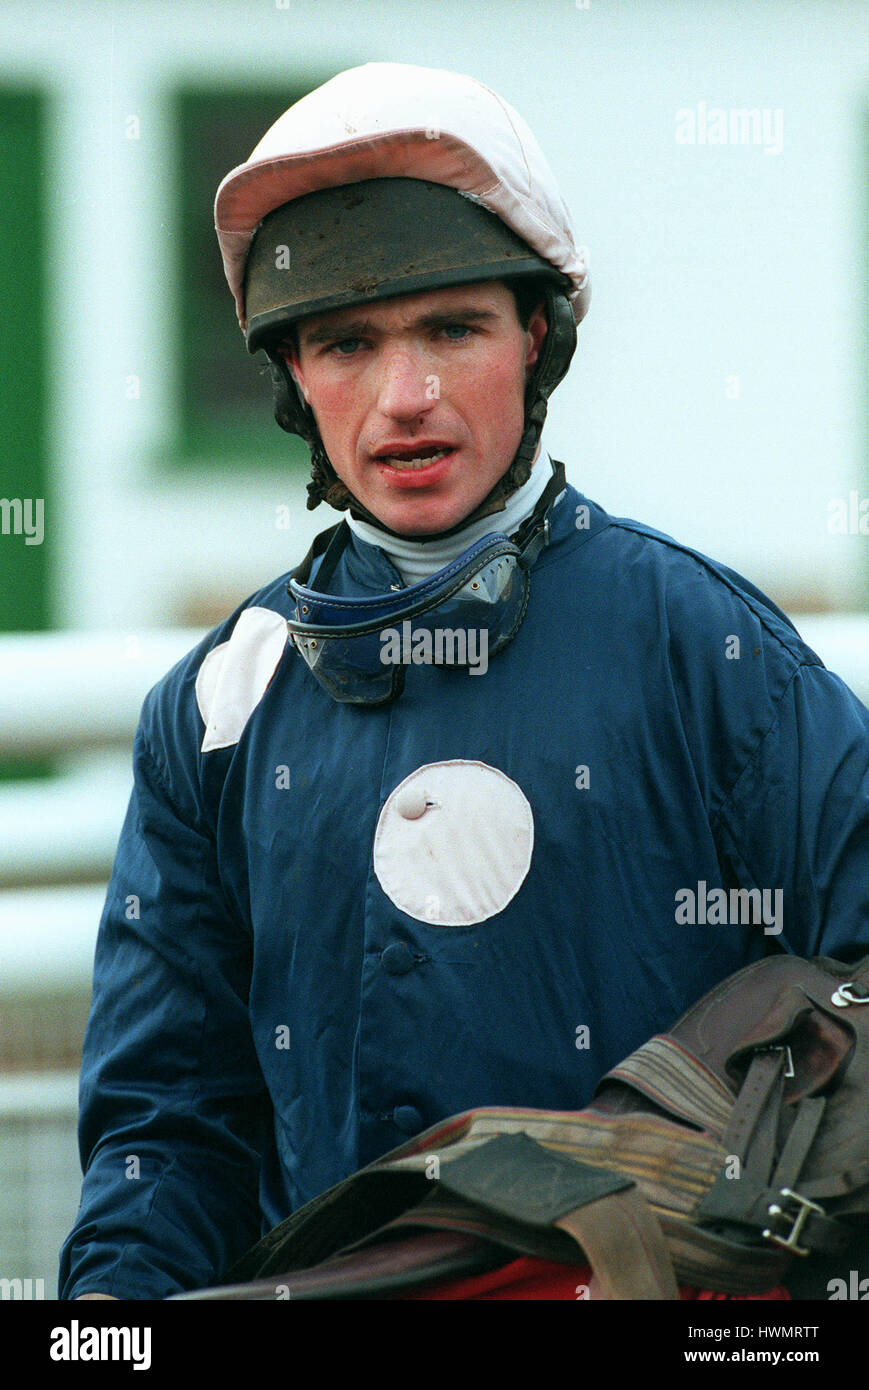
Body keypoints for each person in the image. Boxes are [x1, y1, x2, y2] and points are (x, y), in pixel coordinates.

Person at [59, 62, 869, 1301]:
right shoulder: (216, 707)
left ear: (532, 339)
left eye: (452, 328)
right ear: (292, 381)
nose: (405, 401)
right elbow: (169, 1118)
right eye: (345, 343)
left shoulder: (705, 649)